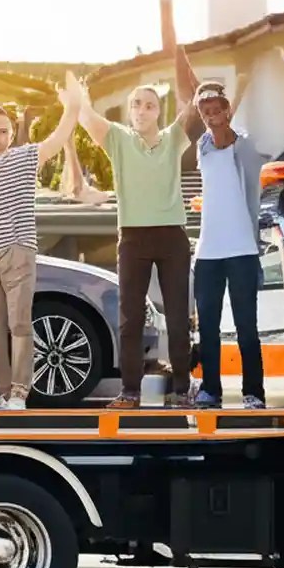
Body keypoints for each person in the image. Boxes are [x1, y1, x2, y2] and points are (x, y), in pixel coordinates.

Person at [0, 71, 83, 410]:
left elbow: (58, 137)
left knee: (19, 324)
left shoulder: (23, 158)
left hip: (17, 250)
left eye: (2, 131)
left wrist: (73, 106)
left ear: (10, 133)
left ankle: (21, 392)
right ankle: (5, 393)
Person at [75, 53, 200, 410]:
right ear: (130, 111)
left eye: (148, 105)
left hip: (172, 237)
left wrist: (169, 26)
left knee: (177, 317)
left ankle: (181, 389)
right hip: (133, 237)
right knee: (129, 318)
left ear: (157, 112)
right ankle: (130, 392)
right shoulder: (118, 139)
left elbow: (189, 99)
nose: (142, 110)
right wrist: (78, 88)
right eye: (136, 105)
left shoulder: (174, 138)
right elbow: (85, 116)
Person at [189, 79, 269, 409]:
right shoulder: (202, 147)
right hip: (208, 251)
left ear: (227, 111)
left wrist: (226, 114)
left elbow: (229, 142)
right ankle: (211, 390)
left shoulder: (244, 148)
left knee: (246, 326)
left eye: (217, 110)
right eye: (205, 112)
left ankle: (254, 392)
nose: (211, 116)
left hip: (242, 251)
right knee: (208, 327)